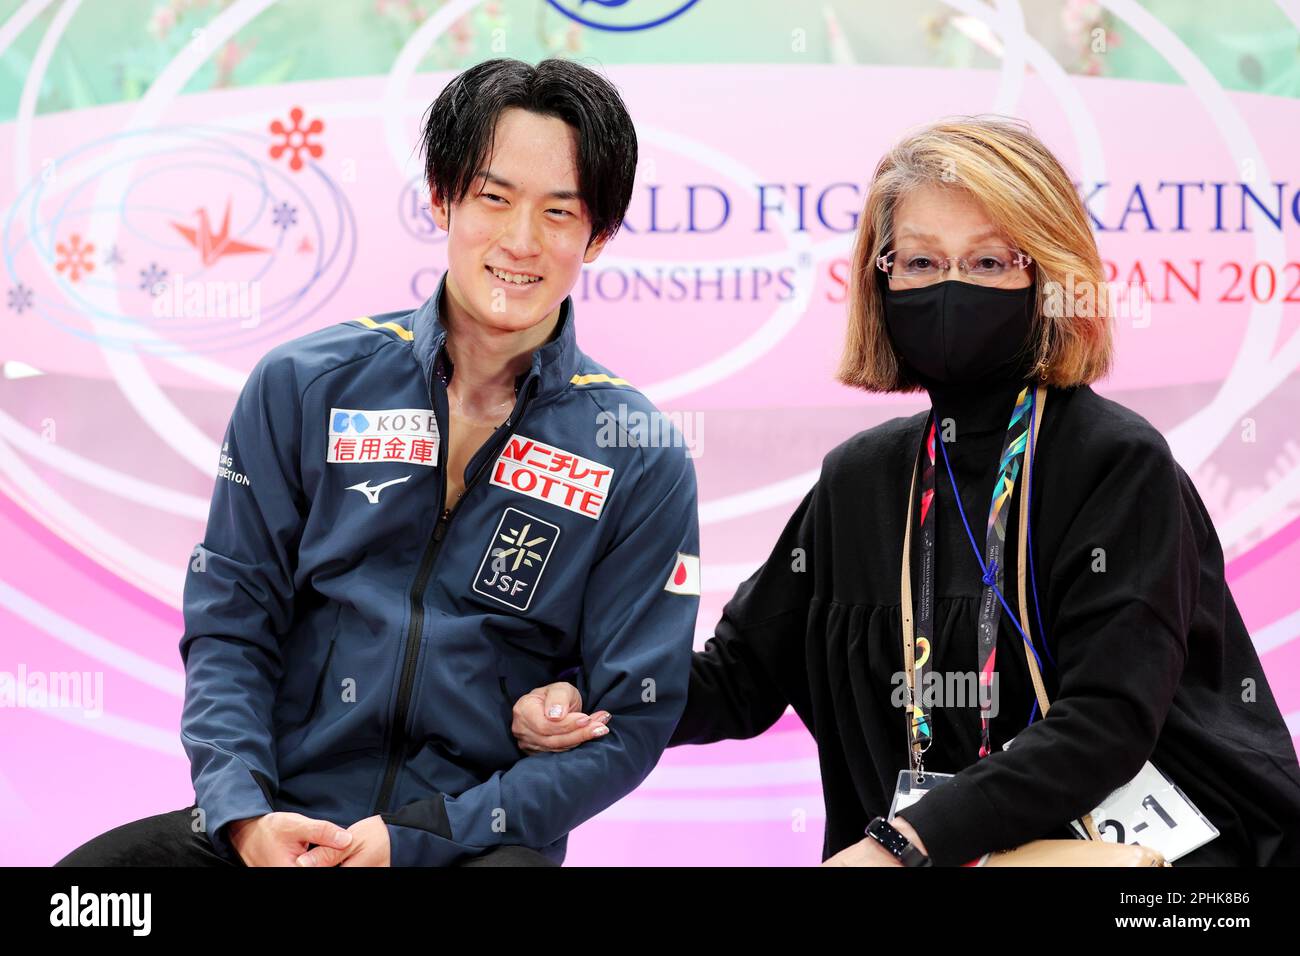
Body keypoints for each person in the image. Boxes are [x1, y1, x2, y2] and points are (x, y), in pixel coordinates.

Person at [511, 117, 1300, 866]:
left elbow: (1106, 722)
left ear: (1051, 274)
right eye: (920, 262)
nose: (950, 288)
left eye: (990, 262)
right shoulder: (861, 480)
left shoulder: (1116, 466)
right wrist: (582, 696)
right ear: (879, 279)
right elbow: (737, 680)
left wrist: (906, 842)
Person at [55, 57, 700, 868]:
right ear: (442, 197)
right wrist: (244, 813)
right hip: (280, 820)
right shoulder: (304, 385)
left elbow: (632, 724)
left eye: (560, 213)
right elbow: (231, 625)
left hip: (474, 842)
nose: (521, 241)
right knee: (93, 887)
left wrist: (424, 837)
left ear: (598, 235)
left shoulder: (639, 455)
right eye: (493, 199)